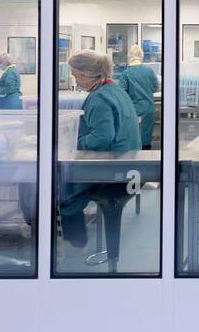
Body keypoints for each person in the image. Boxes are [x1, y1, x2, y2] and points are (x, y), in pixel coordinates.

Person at [58, 50, 141, 247]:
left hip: (112, 172)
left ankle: (74, 242)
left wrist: (71, 143)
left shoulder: (99, 98)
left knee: (61, 190)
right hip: (129, 166)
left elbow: (101, 138)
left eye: (76, 74)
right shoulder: (115, 90)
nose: (74, 78)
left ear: (88, 74)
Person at [117, 44, 159, 150]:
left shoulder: (126, 73)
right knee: (146, 137)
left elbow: (121, 93)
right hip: (148, 108)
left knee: (133, 138)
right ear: (142, 56)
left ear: (129, 57)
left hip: (133, 109)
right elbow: (155, 87)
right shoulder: (149, 71)